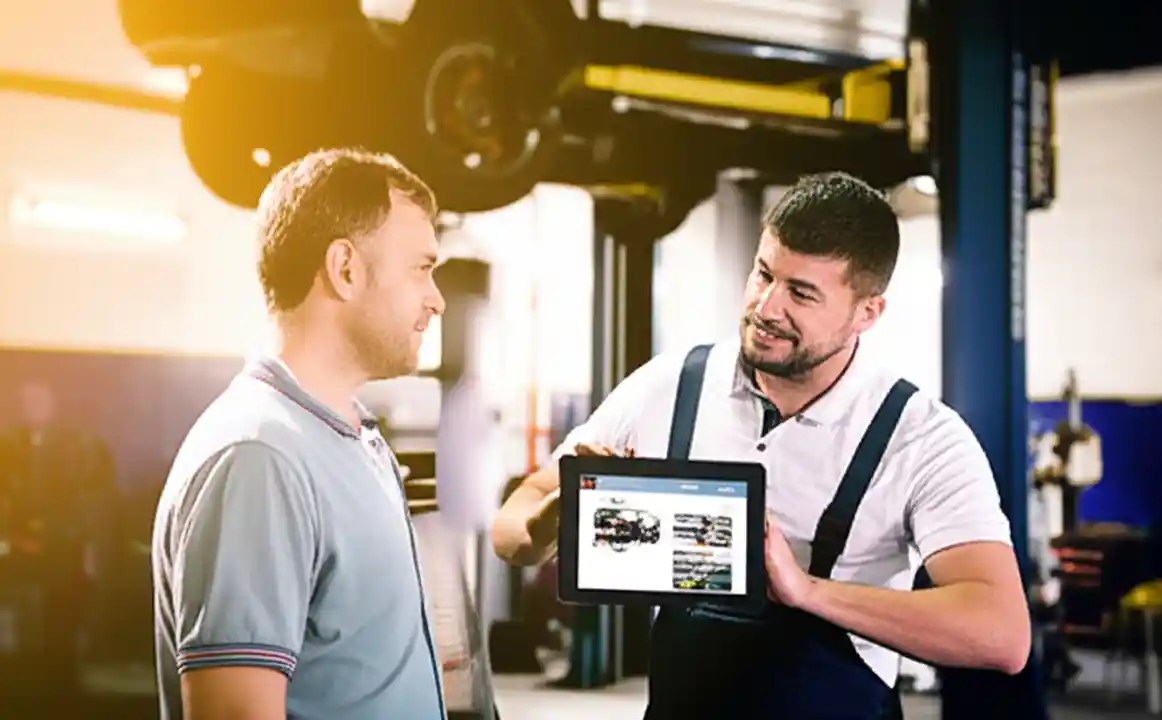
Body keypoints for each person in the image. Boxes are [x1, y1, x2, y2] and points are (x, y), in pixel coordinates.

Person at [492, 172, 1032, 719]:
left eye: (801, 293)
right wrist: (553, 519)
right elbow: (510, 530)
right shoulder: (670, 386)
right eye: (764, 274)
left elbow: (1001, 634)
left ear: (867, 313)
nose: (767, 307)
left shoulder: (920, 438)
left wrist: (807, 591)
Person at [151, 148, 448, 720]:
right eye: (422, 268)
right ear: (345, 269)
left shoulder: (352, 440)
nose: (435, 299)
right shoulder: (261, 458)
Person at [0, 380, 113, 691]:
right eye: (26, 401)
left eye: (39, 401)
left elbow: (86, 505)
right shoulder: (9, 447)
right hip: (20, 561)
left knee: (61, 635)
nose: (32, 408)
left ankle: (60, 689)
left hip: (63, 559)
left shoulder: (74, 448)